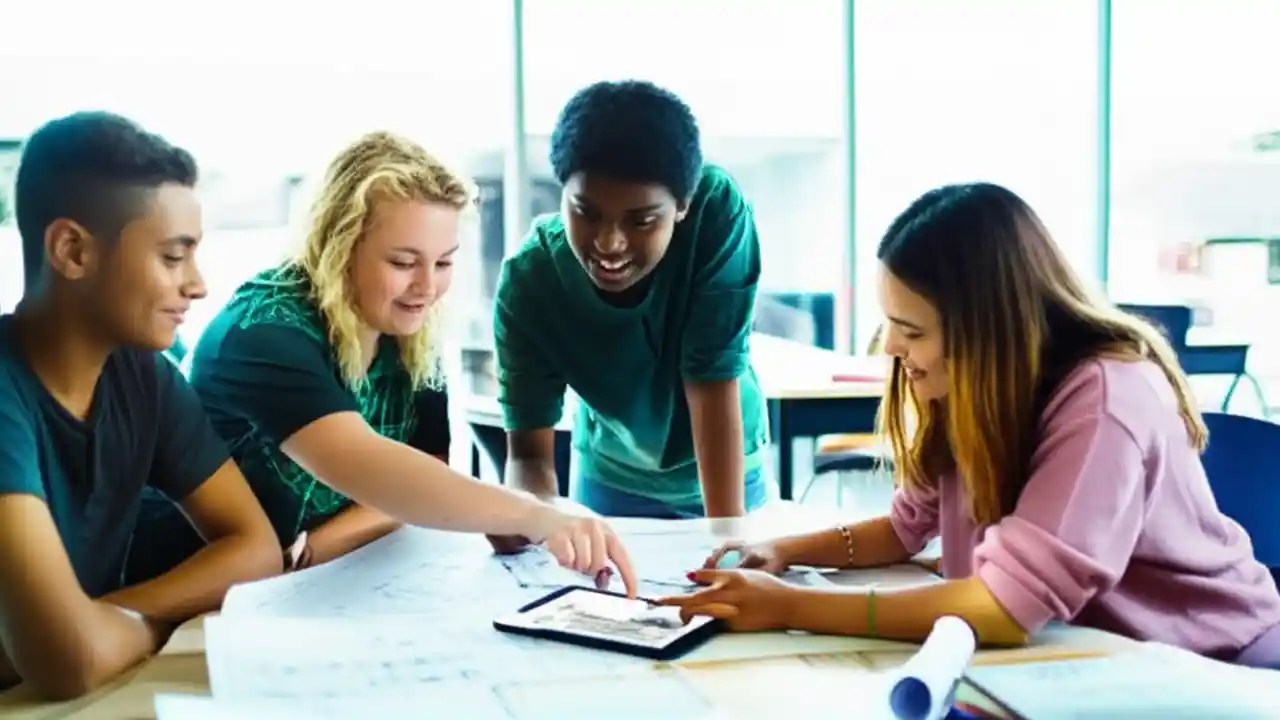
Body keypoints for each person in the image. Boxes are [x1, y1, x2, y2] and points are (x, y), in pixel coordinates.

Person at [660, 182, 1280, 669]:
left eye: (913, 330)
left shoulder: (1105, 397)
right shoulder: (975, 389)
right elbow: (906, 530)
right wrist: (785, 552)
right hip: (1080, 653)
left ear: (985, 329)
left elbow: (1004, 609)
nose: (892, 349)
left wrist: (791, 607)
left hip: (1212, 665)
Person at [174, 131, 636, 590]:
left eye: (444, 263)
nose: (427, 288)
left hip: (307, 581)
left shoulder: (411, 329)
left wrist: (308, 550)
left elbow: (420, 474)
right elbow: (369, 466)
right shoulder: (264, 331)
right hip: (190, 588)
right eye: (402, 263)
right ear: (339, 247)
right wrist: (531, 512)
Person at [0, 112, 281, 699]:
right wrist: (104, 632)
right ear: (73, 251)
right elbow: (69, 663)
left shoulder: (143, 378)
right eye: (173, 258)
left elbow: (256, 549)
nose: (198, 285)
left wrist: (105, 620)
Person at [491, 80, 770, 525]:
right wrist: (525, 521)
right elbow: (529, 456)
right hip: (611, 475)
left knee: (729, 578)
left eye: (641, 221)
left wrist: (726, 543)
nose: (609, 243)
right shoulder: (531, 280)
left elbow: (712, 373)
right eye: (585, 212)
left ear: (682, 205)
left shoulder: (716, 212)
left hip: (727, 469)